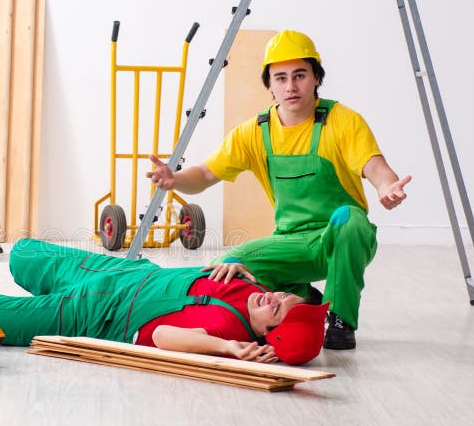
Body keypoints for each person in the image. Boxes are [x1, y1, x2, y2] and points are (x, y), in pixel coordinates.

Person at [146, 30, 411, 350]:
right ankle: (301, 299)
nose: (291, 86)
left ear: (316, 77)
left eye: (300, 75)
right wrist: (176, 179)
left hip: (339, 237)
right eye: (280, 77)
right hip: (290, 240)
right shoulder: (255, 132)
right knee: (229, 265)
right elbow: (204, 174)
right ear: (269, 84)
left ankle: (340, 320)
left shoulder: (342, 120)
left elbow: (374, 166)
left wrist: (387, 186)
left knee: (349, 218)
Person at [0, 238, 329, 365]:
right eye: (283, 294)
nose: (273, 295)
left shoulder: (228, 330)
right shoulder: (247, 281)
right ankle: (47, 288)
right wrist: (233, 261)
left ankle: (49, 302)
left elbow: (164, 336)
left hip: (99, 312)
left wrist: (228, 348)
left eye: (276, 307)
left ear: (267, 334)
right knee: (22, 252)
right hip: (128, 274)